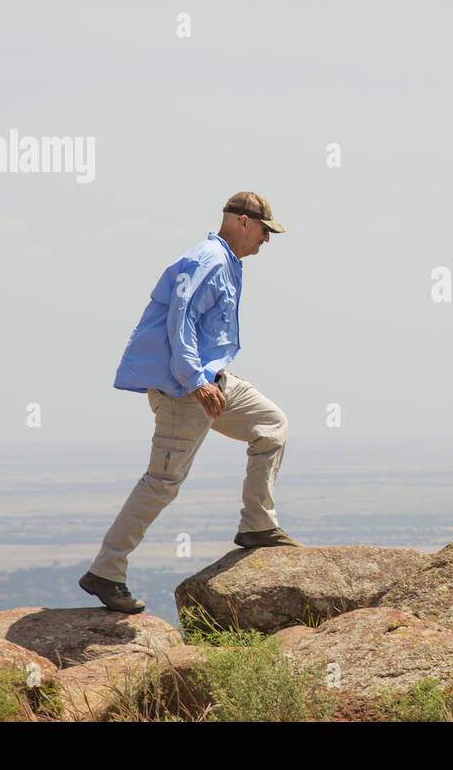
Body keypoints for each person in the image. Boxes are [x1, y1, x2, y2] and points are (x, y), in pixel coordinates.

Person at [80, 192, 300, 614]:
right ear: (243, 222)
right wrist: (197, 381)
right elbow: (178, 321)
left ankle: (257, 526)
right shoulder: (208, 260)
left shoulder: (226, 261)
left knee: (271, 424)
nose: (266, 242)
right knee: (162, 483)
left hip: (214, 381)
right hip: (187, 390)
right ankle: (105, 571)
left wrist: (207, 379)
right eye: (265, 232)